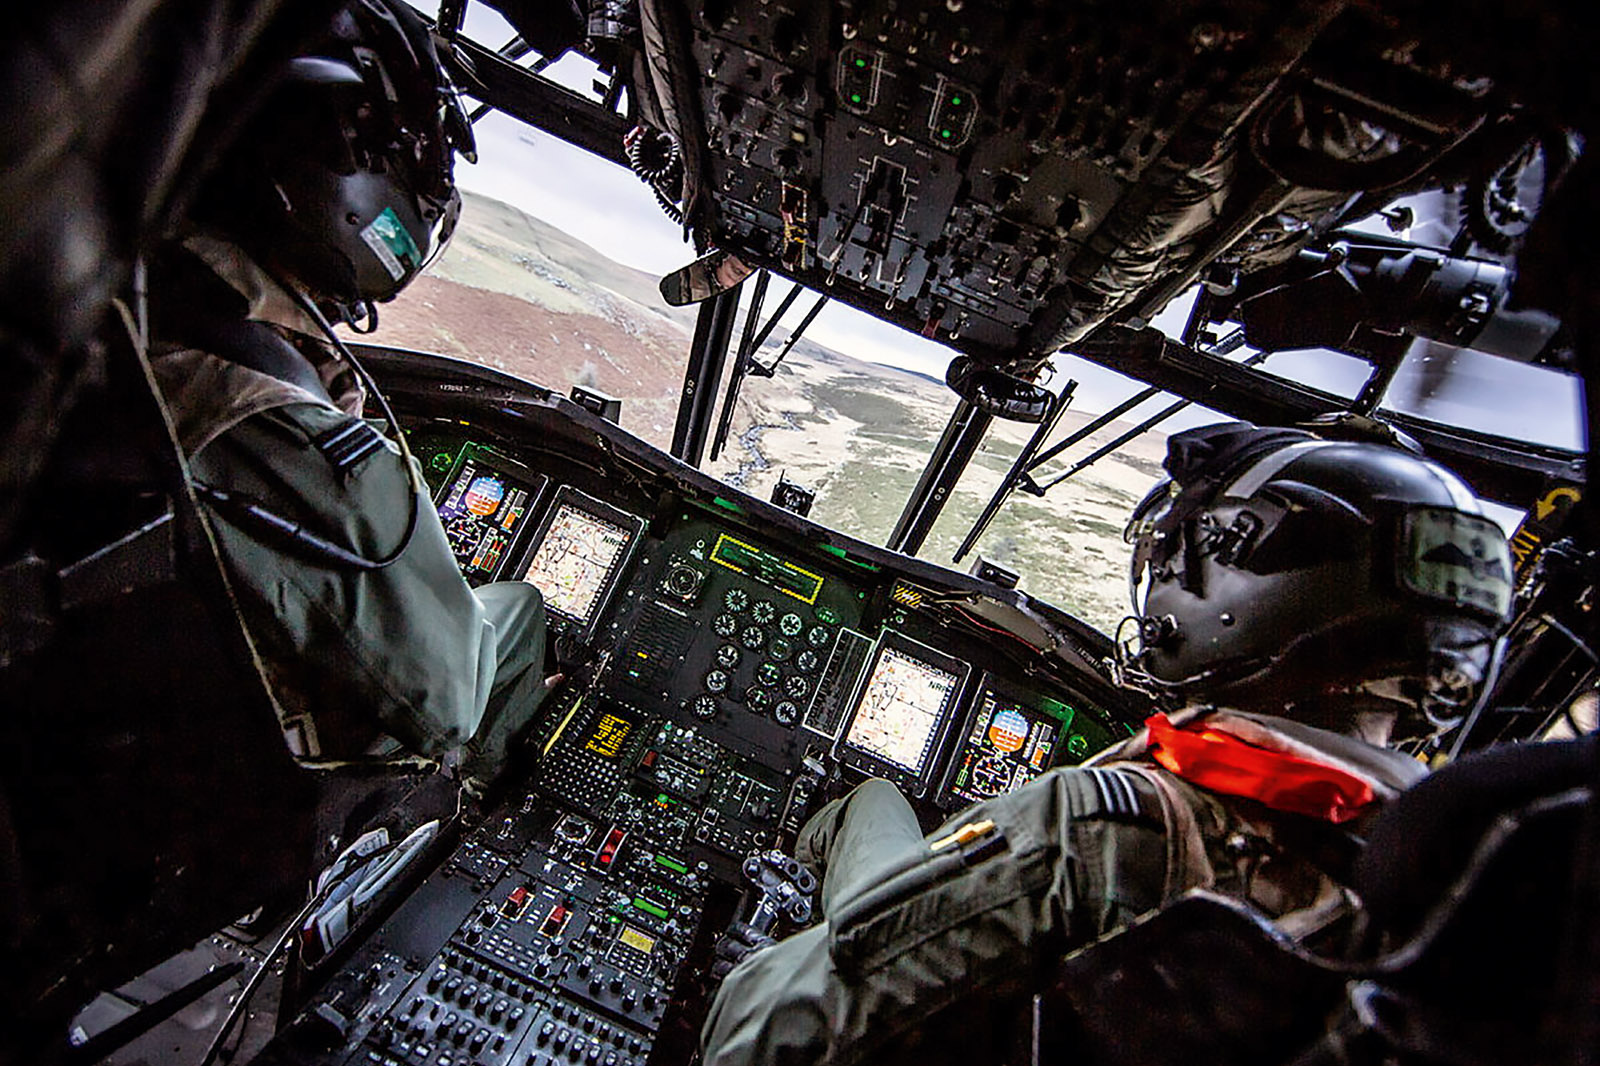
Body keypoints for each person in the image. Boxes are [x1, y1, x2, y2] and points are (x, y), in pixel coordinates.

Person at [701, 422, 1515, 1066]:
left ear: (1239, 589)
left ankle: (801, 866)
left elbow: (767, 1033)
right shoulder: (1451, 895)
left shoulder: (1106, 824)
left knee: (869, 807)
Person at [145, 0, 554, 790]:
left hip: (116, 746)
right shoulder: (272, 415)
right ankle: (465, 803)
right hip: (239, 786)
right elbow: (449, 697)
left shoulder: (110, 313)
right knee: (515, 611)